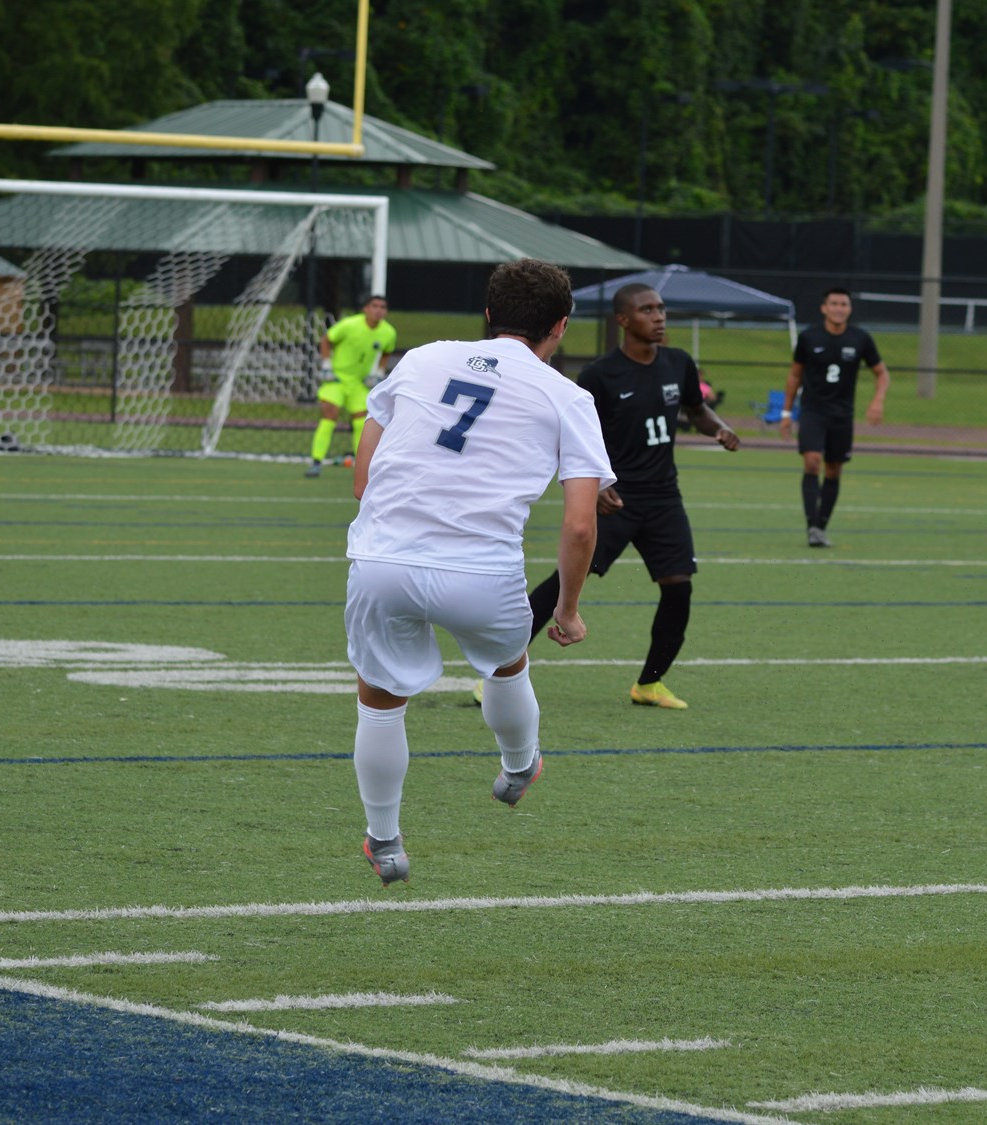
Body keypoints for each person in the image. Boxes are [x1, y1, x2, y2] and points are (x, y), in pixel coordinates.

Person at [343, 259, 616, 887]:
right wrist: (568, 609)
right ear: (561, 326)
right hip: (480, 569)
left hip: (385, 558)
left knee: (380, 702)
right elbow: (580, 525)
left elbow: (365, 470)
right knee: (504, 664)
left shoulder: (420, 358)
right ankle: (520, 767)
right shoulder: (568, 396)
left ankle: (384, 842)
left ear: (489, 314)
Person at [512, 282, 740, 712]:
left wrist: (719, 428)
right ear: (623, 320)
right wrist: (596, 483)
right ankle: (499, 671)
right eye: (647, 310)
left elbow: (695, 409)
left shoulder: (678, 363)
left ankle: (649, 685)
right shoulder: (601, 374)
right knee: (565, 580)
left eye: (661, 309)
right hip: (615, 496)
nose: (659, 317)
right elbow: (574, 434)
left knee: (679, 588)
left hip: (664, 498)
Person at [780, 287, 891, 547]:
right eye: (834, 304)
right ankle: (812, 527)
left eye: (844, 304)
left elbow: (882, 374)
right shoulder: (809, 338)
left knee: (833, 469)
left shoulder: (860, 339)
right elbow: (795, 375)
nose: (839, 308)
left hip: (842, 415)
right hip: (813, 412)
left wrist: (877, 401)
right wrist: (786, 412)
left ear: (849, 309)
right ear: (824, 308)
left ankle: (821, 525)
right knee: (812, 462)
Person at [308, 294, 398, 478]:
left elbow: (387, 352)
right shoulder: (350, 325)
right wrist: (326, 364)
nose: (378, 310)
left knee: (361, 421)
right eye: (374, 306)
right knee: (329, 414)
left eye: (382, 307)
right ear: (365, 309)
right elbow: (326, 340)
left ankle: (363, 467)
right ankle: (316, 462)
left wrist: (379, 373)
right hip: (337, 379)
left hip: (359, 383)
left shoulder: (388, 332)